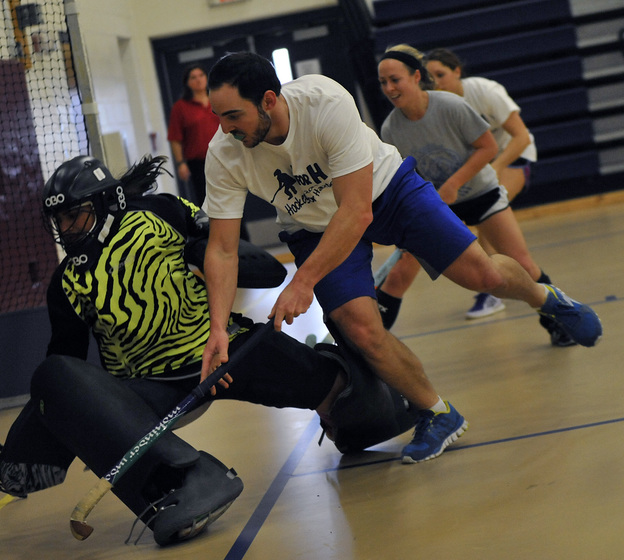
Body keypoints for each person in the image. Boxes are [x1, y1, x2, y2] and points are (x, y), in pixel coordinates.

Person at [200, 52, 602, 465]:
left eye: (233, 115)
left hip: (386, 190)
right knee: (360, 328)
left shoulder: (323, 102)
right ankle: (437, 412)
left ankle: (544, 297)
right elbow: (223, 248)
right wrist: (218, 328)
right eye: (218, 116)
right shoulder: (224, 153)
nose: (225, 129)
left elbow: (356, 211)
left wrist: (301, 282)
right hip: (311, 227)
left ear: (268, 100)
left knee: (483, 276)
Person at [0, 154, 416, 546]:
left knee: (353, 403)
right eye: (60, 220)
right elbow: (66, 369)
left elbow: (257, 266)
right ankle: (189, 481)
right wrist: (34, 444)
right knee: (52, 374)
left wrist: (202, 251)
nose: (66, 228)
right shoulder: (66, 283)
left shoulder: (160, 212)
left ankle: (363, 398)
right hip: (151, 387)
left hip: (227, 348)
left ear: (108, 202)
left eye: (75, 215)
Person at [375, 44, 572, 346]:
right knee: (400, 275)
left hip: (481, 194)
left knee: (521, 264)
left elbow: (489, 147)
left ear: (416, 77)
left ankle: (562, 322)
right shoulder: (390, 130)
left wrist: (453, 183)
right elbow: (405, 178)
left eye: (395, 80)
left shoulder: (450, 106)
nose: (389, 88)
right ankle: (367, 348)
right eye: (383, 82)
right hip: (439, 207)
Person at [425, 47, 538, 319]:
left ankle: (496, 290)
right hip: (478, 167)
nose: (436, 82)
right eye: (430, 78)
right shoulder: (436, 106)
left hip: (512, 156)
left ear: (457, 72)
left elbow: (521, 136)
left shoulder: (485, 91)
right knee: (480, 227)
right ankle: (503, 282)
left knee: (488, 216)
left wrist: (495, 168)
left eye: (441, 74)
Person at [168, 64, 220, 206]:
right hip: (198, 163)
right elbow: (175, 138)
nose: (198, 80)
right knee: (206, 200)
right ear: (187, 83)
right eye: (193, 77)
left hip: (223, 156)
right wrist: (181, 163)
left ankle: (239, 228)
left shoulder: (217, 98)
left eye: (201, 76)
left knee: (232, 196)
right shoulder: (180, 107)